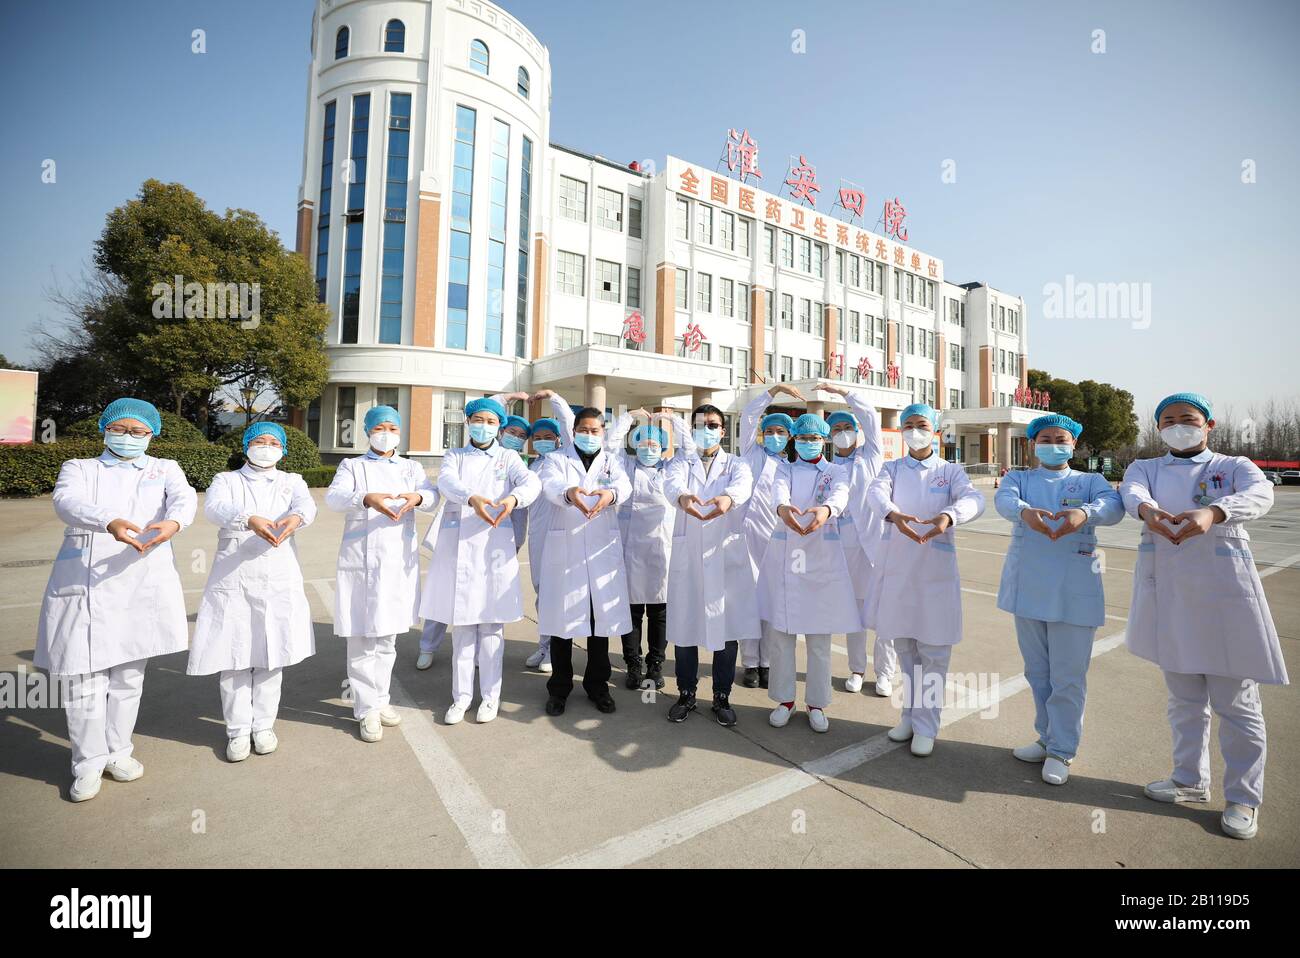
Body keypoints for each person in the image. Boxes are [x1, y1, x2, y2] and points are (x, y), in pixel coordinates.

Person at [1121, 392, 1288, 839]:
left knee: (1237, 703)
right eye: (1169, 420)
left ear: (1208, 424)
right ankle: (1189, 780)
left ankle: (1243, 799)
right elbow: (1131, 491)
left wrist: (1214, 512)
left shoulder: (1233, 467)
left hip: (1226, 599)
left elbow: (1261, 494)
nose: (1179, 425)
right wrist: (1149, 511)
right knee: (1185, 700)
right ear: (1159, 429)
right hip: (1171, 599)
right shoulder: (1147, 468)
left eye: (1188, 418)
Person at [35, 398, 197, 802]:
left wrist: (171, 524)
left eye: (139, 432)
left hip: (142, 581)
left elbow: (185, 499)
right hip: (86, 584)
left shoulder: (165, 469)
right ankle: (87, 763)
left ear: (152, 434)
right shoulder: (80, 468)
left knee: (128, 676)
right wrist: (109, 521)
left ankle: (118, 752)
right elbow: (66, 502)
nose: (129, 438)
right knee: (84, 678)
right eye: (121, 430)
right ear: (105, 429)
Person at [994, 414, 1123, 784]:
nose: (1053, 443)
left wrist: (1085, 512)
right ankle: (1045, 736)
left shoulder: (1089, 481)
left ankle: (1062, 750)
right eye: (1045, 438)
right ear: (1033, 444)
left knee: (1068, 675)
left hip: (1075, 588)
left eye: (1061, 438)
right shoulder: (1020, 478)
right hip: (1028, 587)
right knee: (1037, 672)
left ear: (1074, 444)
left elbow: (1113, 508)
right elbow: (1004, 502)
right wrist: (1024, 512)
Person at [188, 422, 317, 762]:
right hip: (234, 577)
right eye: (259, 440)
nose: (266, 446)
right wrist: (249, 519)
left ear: (283, 450)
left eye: (274, 442)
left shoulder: (292, 481)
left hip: (278, 575)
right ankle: (237, 730)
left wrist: (295, 520)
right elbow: (215, 508)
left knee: (272, 655)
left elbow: (307, 507)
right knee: (234, 656)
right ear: (246, 445)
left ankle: (263, 725)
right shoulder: (226, 480)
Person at [864, 403, 985, 756]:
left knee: (933, 651)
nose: (914, 431)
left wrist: (948, 516)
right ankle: (908, 716)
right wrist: (894, 515)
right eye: (908, 425)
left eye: (921, 425)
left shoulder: (951, 472)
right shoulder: (892, 468)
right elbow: (875, 493)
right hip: (899, 568)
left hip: (934, 571)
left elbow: (975, 499)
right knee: (905, 647)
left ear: (934, 430)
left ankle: (927, 725)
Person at [421, 396, 541, 724]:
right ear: (468, 422)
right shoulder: (455, 455)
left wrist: (513, 499)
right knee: (462, 628)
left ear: (499, 426)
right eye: (479, 420)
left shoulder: (509, 456)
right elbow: (446, 481)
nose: (484, 426)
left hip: (495, 545)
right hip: (460, 546)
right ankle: (460, 698)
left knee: (491, 628)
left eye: (491, 421)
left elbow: (532, 482)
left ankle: (490, 697)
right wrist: (470, 497)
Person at [326, 405, 439, 742]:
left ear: (399, 433)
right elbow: (334, 498)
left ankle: (381, 699)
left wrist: (417, 496)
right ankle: (365, 709)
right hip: (361, 561)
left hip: (397, 561)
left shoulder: (411, 467)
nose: (385, 432)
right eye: (379, 427)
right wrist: (366, 498)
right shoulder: (352, 465)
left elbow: (432, 497)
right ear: (368, 431)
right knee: (362, 638)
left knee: (388, 638)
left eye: (392, 427)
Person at [760, 414, 860, 733]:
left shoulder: (836, 472)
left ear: (824, 440)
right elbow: (778, 496)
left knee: (819, 639)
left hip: (821, 559)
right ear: (794, 441)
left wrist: (826, 511)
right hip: (786, 556)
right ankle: (784, 700)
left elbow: (840, 496)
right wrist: (783, 510)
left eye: (813, 439)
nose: (807, 443)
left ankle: (816, 703)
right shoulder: (784, 469)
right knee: (782, 636)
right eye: (801, 439)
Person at [663, 404, 758, 726]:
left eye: (713, 424)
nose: (708, 429)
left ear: (722, 430)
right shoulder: (680, 462)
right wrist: (684, 498)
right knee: (686, 628)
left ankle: (721, 696)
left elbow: (743, 487)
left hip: (725, 555)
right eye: (701, 424)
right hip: (688, 555)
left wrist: (728, 499)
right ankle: (686, 694)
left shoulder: (736, 464)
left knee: (726, 630)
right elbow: (672, 485)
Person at [537, 407, 633, 715]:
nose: (589, 436)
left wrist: (612, 495)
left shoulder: (612, 461)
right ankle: (559, 688)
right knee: (562, 627)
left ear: (603, 432)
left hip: (600, 552)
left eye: (595, 431)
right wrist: (569, 493)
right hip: (566, 552)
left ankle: (597, 686)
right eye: (584, 430)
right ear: (574, 430)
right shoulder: (557, 459)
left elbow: (624, 485)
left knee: (598, 624)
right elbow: (549, 484)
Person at [604, 409, 689, 690]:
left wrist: (674, 419)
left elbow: (689, 450)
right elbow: (609, 446)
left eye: (654, 445)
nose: (648, 449)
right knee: (631, 611)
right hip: (631, 549)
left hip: (662, 549)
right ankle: (633, 663)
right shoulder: (626, 467)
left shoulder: (671, 468)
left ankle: (656, 664)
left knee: (659, 611)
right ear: (635, 445)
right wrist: (627, 418)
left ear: (664, 448)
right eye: (643, 443)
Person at [815, 382, 889, 696]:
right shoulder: (828, 468)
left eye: (848, 427)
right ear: (830, 436)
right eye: (837, 429)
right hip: (844, 550)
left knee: (885, 613)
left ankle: (885, 674)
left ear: (857, 431)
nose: (843, 432)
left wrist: (844, 394)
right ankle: (857, 670)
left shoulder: (871, 455)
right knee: (854, 614)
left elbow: (871, 417)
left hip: (876, 544)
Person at [737, 383, 806, 687]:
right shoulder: (750, 453)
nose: (776, 436)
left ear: (789, 437)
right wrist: (773, 391)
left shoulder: (791, 466)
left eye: (782, 432)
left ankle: (768, 663)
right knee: (748, 602)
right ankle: (750, 663)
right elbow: (748, 416)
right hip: (746, 538)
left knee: (771, 604)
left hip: (777, 541)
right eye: (771, 431)